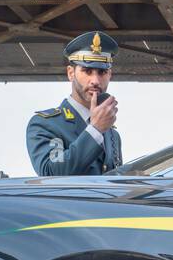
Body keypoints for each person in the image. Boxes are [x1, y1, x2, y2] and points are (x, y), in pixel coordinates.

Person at [27, 32, 123, 176]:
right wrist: (95, 130)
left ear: (110, 75)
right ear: (71, 73)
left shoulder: (112, 133)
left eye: (102, 72)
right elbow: (52, 174)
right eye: (87, 71)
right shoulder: (46, 124)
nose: (95, 80)